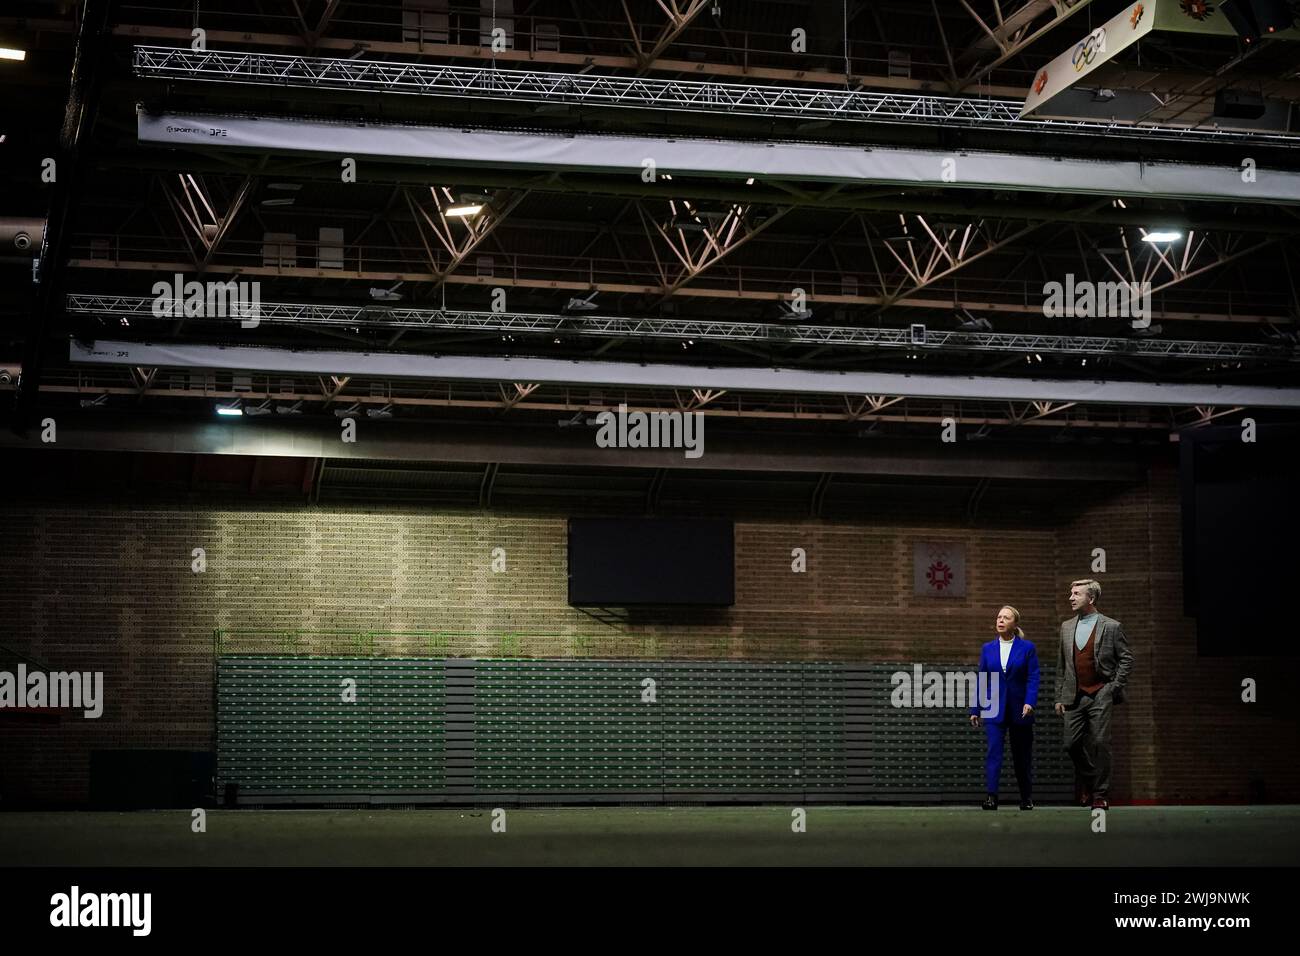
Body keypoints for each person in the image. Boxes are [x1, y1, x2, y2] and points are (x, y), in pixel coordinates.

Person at [1052, 579, 1134, 810]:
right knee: (1071, 744)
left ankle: (1100, 794)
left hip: (1101, 692)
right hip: (1074, 694)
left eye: (1076, 594)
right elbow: (1062, 665)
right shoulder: (1066, 627)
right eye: (1071, 593)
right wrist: (1059, 696)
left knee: (1100, 742)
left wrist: (1113, 687)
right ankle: (1090, 779)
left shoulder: (1111, 626)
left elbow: (1127, 658)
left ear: (1091, 598)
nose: (1071, 597)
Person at [969, 605, 1039, 810]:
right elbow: (982, 679)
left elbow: (1033, 677)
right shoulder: (987, 648)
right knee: (993, 753)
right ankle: (991, 796)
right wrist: (976, 709)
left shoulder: (1027, 648)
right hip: (993, 708)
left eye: (1006, 617)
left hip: (1020, 709)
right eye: (999, 617)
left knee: (1022, 756)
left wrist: (1030, 701)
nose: (1000, 620)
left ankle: (1026, 797)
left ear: (1014, 624)